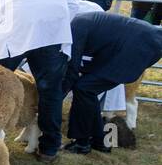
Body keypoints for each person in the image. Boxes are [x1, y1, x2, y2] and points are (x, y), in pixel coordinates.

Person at [0, 0, 76, 161]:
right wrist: (57, 26)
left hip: (16, 28)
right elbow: (72, 4)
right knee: (50, 91)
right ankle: (49, 148)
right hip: (53, 31)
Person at [63, 11, 162, 153]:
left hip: (139, 46)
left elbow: (71, 70)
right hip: (134, 43)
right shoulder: (79, 22)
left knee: (84, 88)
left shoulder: (75, 28)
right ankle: (99, 141)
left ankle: (83, 143)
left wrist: (53, 100)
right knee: (86, 89)